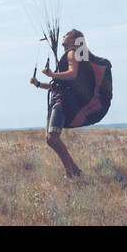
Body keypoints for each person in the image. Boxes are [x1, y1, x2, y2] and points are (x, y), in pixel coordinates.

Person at [30, 28, 90, 179]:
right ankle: (76, 171)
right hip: (57, 98)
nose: (63, 36)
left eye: (67, 35)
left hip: (62, 101)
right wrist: (38, 84)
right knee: (50, 140)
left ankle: (70, 173)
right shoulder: (66, 55)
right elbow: (55, 85)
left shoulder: (71, 53)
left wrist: (52, 74)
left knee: (53, 138)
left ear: (73, 40)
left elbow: (72, 74)